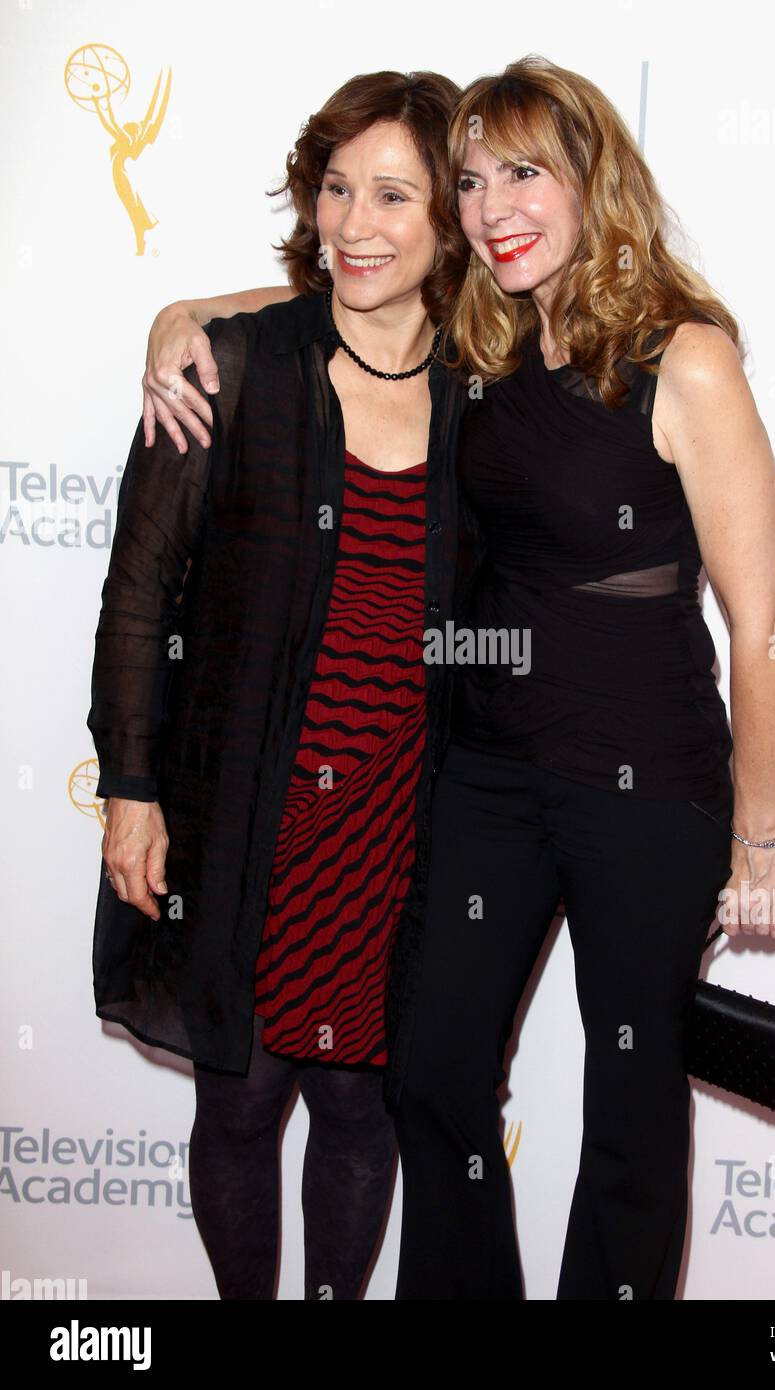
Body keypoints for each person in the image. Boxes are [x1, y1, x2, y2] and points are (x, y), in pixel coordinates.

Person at [142, 55, 775, 1301]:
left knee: (631, 1099)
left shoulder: (681, 356)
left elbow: (760, 621)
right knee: (431, 1069)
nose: (494, 204)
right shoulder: (483, 340)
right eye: (474, 178)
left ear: (591, 180)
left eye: (524, 173)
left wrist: (760, 846)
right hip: (486, 772)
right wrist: (183, 317)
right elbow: (343, 295)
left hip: (647, 785)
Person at [87, 69, 478, 1300]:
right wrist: (131, 789)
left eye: (393, 195)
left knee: (363, 1107)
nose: (355, 223)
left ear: (449, 220)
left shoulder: (491, 399)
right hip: (249, 807)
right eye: (336, 189)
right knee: (243, 1099)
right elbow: (139, 595)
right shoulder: (232, 368)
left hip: (404, 826)